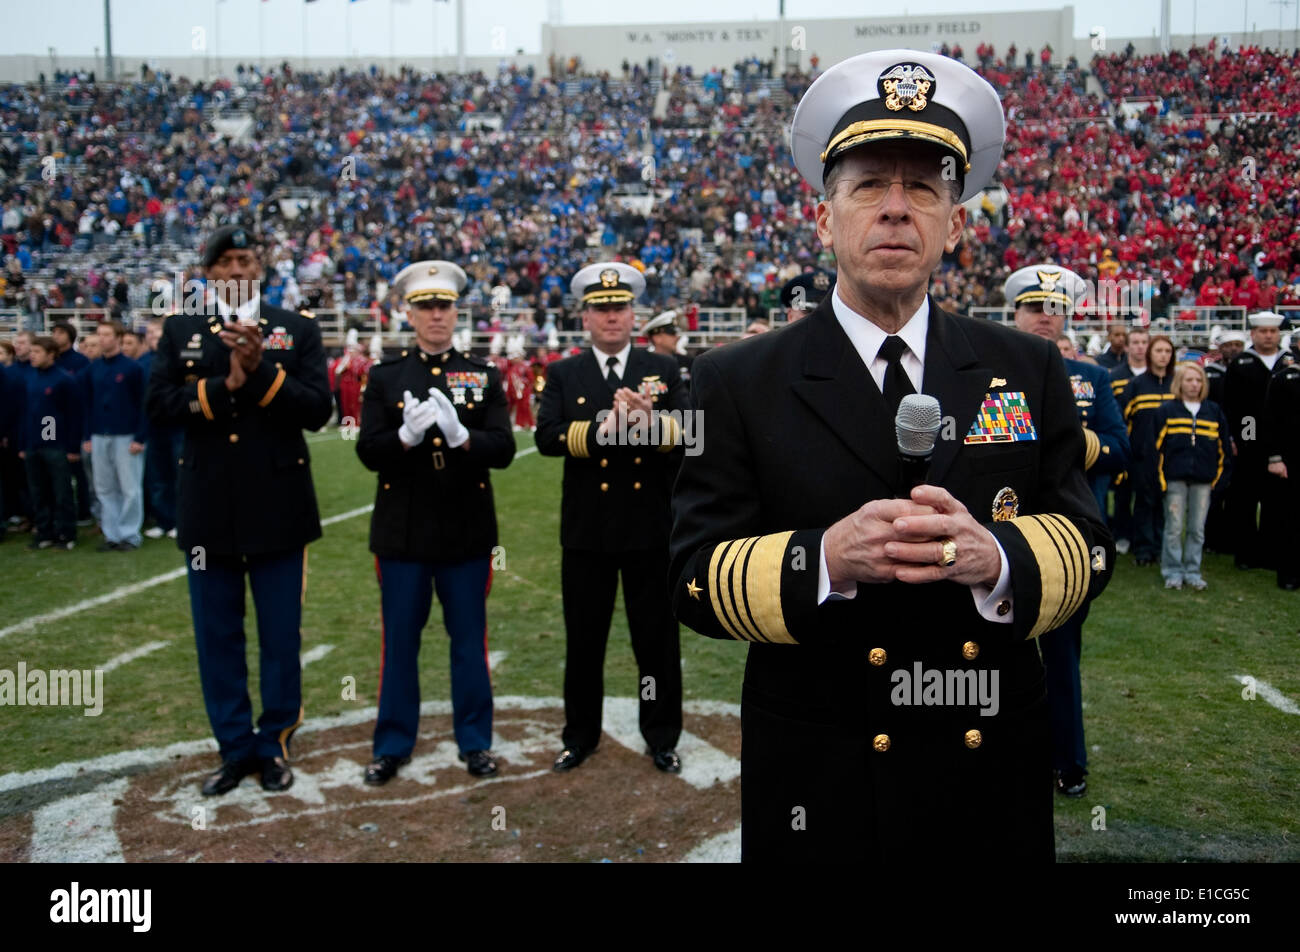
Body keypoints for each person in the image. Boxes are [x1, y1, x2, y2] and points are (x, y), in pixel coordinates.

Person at [670, 50, 1113, 862]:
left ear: (956, 220)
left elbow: (1088, 545)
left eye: (925, 188)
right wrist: (826, 560)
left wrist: (999, 557)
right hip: (822, 772)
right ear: (824, 216)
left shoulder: (1029, 367)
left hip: (988, 759)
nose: (897, 210)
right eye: (870, 184)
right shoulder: (734, 380)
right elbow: (693, 577)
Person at [146, 224, 332, 796]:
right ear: (207, 275)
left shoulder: (295, 329)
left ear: (261, 268)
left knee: (280, 637)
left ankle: (274, 744)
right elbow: (159, 405)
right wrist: (225, 386)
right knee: (217, 637)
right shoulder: (180, 330)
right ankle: (233, 748)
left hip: (278, 508)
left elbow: (318, 410)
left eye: (244, 260)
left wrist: (260, 375)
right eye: (222, 262)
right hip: (206, 511)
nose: (234, 270)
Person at [356, 260, 515, 784]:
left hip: (465, 531)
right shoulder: (384, 377)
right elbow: (368, 452)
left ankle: (474, 741)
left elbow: (505, 450)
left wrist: (463, 437)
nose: (436, 315)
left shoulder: (483, 373)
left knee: (468, 641)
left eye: (443, 305)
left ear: (456, 310)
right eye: (425, 306)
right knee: (399, 642)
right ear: (409, 312)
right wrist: (403, 438)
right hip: (402, 533)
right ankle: (393, 744)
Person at [535, 261, 688, 775]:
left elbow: (695, 435)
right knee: (584, 641)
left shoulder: (663, 368)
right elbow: (546, 436)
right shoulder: (564, 372)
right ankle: (579, 736)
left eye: (619, 308)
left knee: (657, 643)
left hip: (649, 528)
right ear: (585, 318)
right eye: (601, 309)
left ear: (633, 314)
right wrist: (602, 430)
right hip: (588, 531)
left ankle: (662, 735)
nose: (611, 317)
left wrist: (651, 423)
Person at [1004, 264, 1130, 798]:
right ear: (1016, 313)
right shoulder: (990, 370)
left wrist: (1068, 442)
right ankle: (1000, 753)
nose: (1045, 318)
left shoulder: (1094, 378)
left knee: (1061, 652)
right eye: (1035, 308)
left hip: (1067, 536)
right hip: (1002, 531)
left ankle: (1067, 760)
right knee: (996, 649)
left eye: (1055, 310)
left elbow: (1122, 448)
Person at [1154, 362, 1229, 591]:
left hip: (1204, 481)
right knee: (1174, 527)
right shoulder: (1166, 410)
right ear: (1179, 383)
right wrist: (1161, 480)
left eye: (1198, 380)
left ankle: (1193, 571)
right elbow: (1156, 449)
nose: (1194, 384)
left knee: (1197, 529)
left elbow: (1223, 449)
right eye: (1189, 380)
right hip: (1174, 479)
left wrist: (1217, 480)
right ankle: (1173, 571)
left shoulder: (1214, 411)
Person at [1224, 312, 1286, 572]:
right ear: (1253, 334)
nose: (1268, 335)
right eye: (1263, 331)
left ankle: (1271, 553)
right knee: (1245, 499)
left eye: (1272, 331)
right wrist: (1235, 438)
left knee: (1277, 502)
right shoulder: (1241, 363)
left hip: (1282, 443)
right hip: (1248, 440)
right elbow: (1231, 405)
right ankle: (1246, 553)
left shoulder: (1289, 362)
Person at [81, 320, 148, 551]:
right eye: (99, 334)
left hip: (126, 435)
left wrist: (140, 437)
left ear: (118, 338)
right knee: (104, 487)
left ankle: (129, 534)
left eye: (107, 334)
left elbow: (143, 403)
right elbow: (87, 405)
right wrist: (87, 436)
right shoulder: (93, 369)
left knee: (129, 487)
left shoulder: (133, 368)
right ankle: (111, 534)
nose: (102, 339)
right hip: (100, 434)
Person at [19, 337, 80, 550]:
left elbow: (73, 416)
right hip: (33, 444)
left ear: (50, 354)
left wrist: (72, 447)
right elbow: (24, 413)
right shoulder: (29, 377)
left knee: (61, 491)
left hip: (55, 444)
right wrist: (23, 443)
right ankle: (44, 532)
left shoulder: (64, 380)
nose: (32, 355)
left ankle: (66, 533)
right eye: (32, 351)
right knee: (38, 491)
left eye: (37, 351)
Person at [1120, 334, 1176, 566]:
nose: (1163, 355)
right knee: (1144, 502)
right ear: (1150, 354)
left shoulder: (1177, 382)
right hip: (1143, 456)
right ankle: (1144, 550)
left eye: (1167, 351)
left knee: (1168, 505)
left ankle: (1163, 547)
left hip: (1172, 457)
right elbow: (1124, 420)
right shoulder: (1137, 385)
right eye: (1158, 351)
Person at [138, 316, 181, 540]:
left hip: (176, 425)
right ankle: (164, 520)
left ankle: (180, 520)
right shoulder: (142, 363)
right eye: (149, 334)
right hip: (153, 426)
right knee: (158, 476)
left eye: (157, 333)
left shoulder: (179, 359)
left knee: (179, 475)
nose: (153, 337)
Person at [1108, 326, 1148, 553]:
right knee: (1122, 494)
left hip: (1150, 447)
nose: (1140, 347)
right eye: (1136, 342)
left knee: (1146, 495)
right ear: (1128, 346)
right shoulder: (1115, 376)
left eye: (1144, 342)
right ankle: (1122, 535)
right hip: (1124, 445)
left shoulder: (1157, 375)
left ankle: (1143, 537)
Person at [1264, 348, 1299, 590]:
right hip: (1291, 458)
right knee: (1292, 518)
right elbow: (1267, 420)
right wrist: (1274, 457)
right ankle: (1290, 574)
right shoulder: (1283, 379)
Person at [641, 310, 695, 387]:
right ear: (657, 337)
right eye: (672, 333)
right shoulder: (643, 366)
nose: (677, 337)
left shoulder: (688, 362)